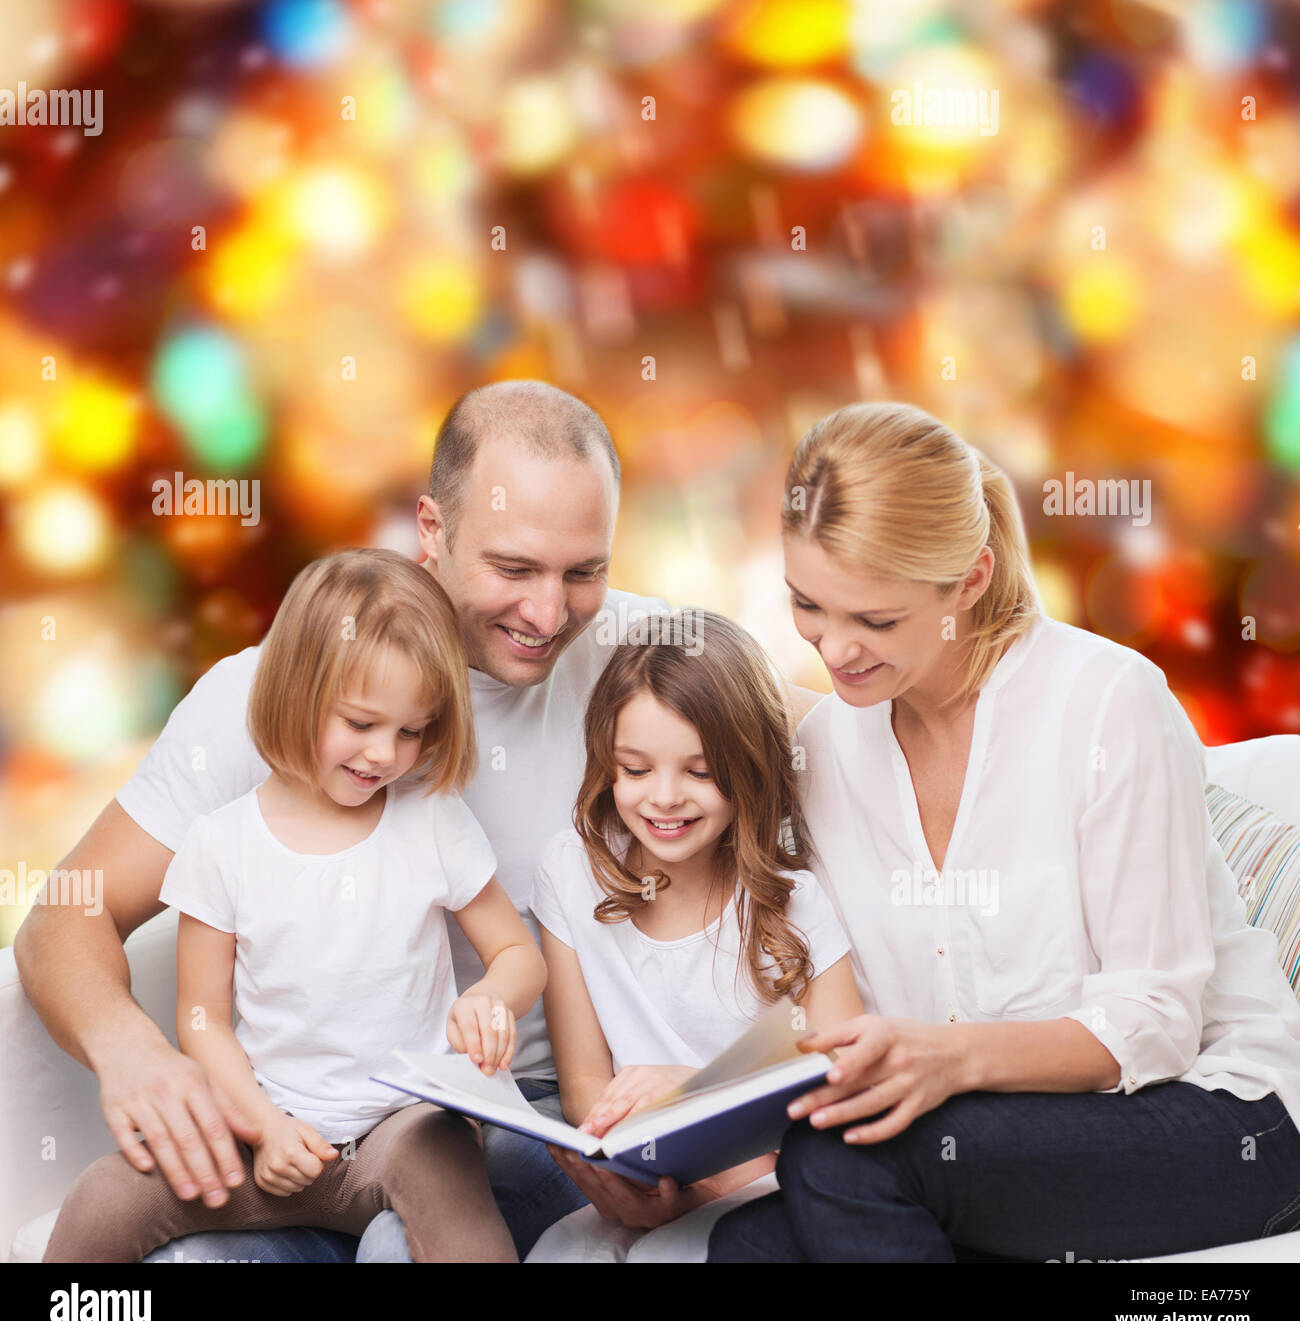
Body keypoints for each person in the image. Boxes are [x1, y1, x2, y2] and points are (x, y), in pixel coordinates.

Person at [18, 380, 740, 1261]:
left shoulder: (653, 663)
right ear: (432, 530)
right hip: (289, 1120)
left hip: (518, 1109)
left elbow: (823, 731)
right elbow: (65, 913)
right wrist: (136, 1051)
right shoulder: (276, 696)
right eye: (513, 568)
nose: (550, 614)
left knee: (407, 1234)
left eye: (584, 572)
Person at [708, 401, 1300, 1262]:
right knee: (748, 1249)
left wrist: (947, 1059)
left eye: (876, 620)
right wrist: (685, 1117)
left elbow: (1155, 1022)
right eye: (808, 605)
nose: (835, 650)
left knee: (841, 1163)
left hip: (1220, 1113)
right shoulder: (827, 751)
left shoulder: (1106, 703)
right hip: (1002, 1135)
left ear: (971, 579)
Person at [43, 550, 540, 1263]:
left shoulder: (433, 819)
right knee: (105, 1198)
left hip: (403, 1127)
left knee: (446, 1171)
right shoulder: (222, 843)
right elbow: (203, 1020)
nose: (386, 754)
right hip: (267, 1132)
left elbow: (518, 955)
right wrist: (264, 1126)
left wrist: (492, 996)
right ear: (299, 690)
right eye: (362, 722)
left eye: (412, 730)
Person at [529, 610, 862, 1254]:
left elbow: (842, 1089)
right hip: (640, 1180)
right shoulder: (569, 871)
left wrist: (688, 1095)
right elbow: (585, 1090)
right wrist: (633, 1172)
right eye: (634, 769)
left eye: (701, 772)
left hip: (770, 1189)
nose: (664, 797)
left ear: (749, 768)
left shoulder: (796, 904)